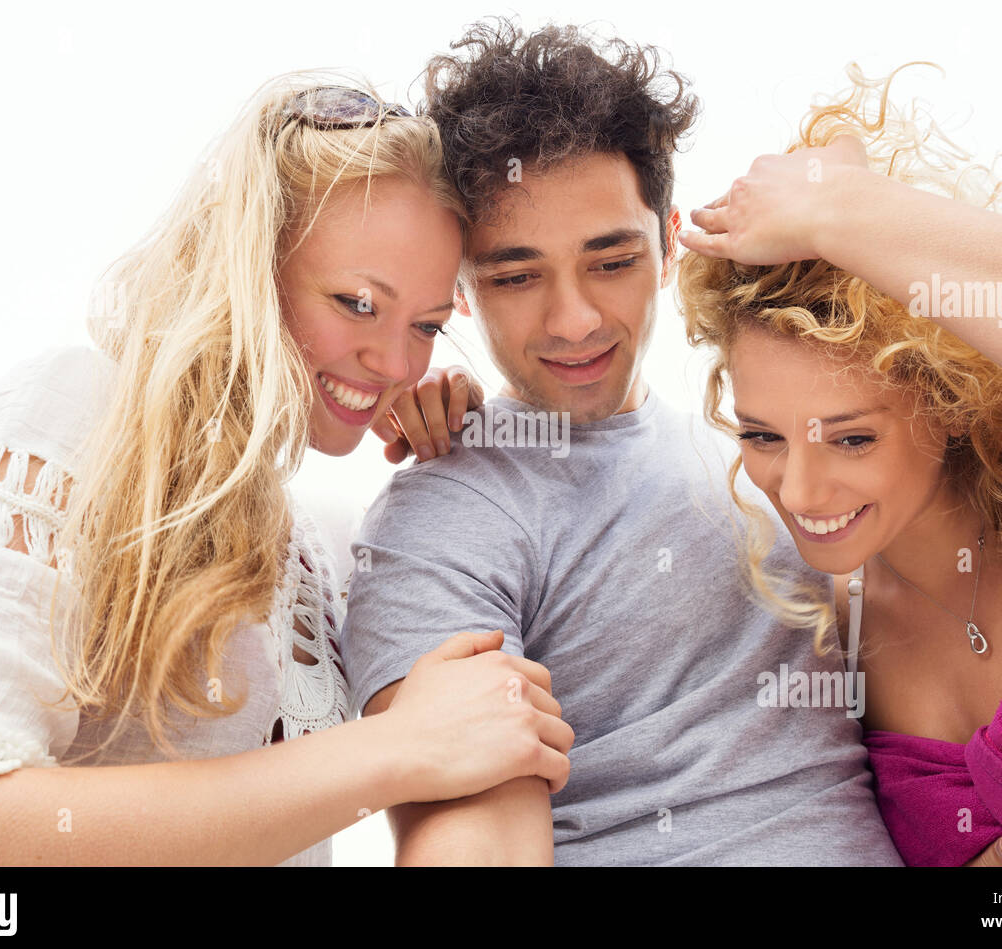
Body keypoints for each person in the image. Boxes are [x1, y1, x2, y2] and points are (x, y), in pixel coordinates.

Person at [0, 74, 573, 866]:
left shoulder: (315, 548)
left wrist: (471, 454)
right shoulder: (71, 417)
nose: (396, 362)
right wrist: (390, 751)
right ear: (249, 269)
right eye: (357, 303)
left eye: (428, 326)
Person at [339, 20, 903, 866]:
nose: (574, 321)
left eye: (611, 261)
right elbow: (470, 828)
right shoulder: (441, 513)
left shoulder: (774, 458)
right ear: (460, 288)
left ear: (670, 244)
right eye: (517, 276)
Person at [677, 63, 1002, 866]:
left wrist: (843, 211)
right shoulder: (829, 630)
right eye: (763, 437)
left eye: (852, 438)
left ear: (950, 402)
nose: (798, 492)